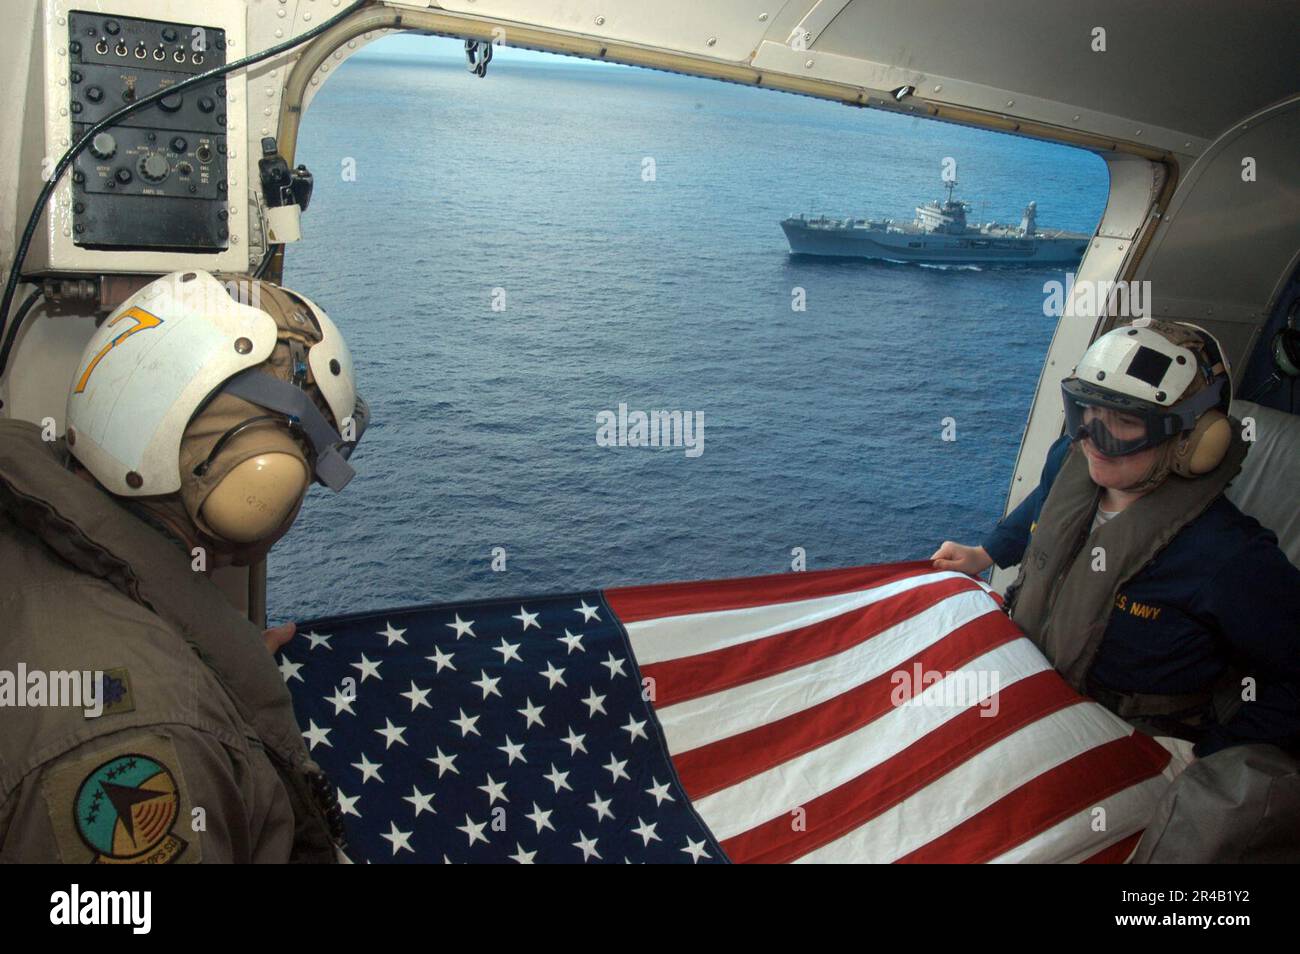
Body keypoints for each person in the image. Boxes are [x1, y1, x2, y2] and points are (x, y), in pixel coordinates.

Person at [0, 269, 367, 863]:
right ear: (263, 484)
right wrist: (182, 703)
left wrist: (216, 677)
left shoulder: (24, 510)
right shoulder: (146, 741)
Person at [931, 317, 1300, 861]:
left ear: (1192, 438)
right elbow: (1046, 507)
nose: (1092, 437)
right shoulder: (1073, 463)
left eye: (1123, 421)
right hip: (1035, 688)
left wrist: (1216, 753)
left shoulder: (1229, 557)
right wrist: (988, 553)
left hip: (1134, 735)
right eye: (1086, 411)